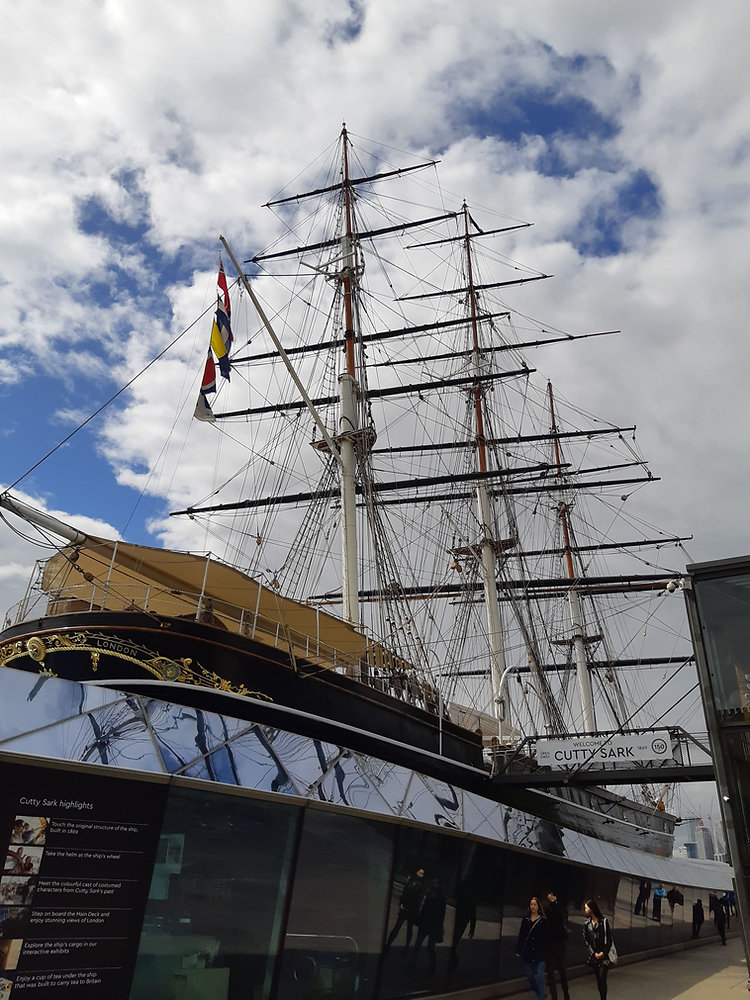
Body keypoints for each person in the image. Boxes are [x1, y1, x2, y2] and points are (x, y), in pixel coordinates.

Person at [409, 878, 446, 975]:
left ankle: (432, 966)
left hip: (432, 926)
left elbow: (441, 915)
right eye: (433, 883)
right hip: (426, 924)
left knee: (429, 947)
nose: (434, 885)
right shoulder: (430, 895)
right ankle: (412, 966)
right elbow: (424, 910)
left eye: (436, 883)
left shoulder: (441, 899)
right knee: (418, 945)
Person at [515, 897, 549, 1000]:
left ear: (538, 907)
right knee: (530, 976)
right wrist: (518, 950)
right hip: (528, 952)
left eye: (535, 905)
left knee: (539, 976)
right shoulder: (526, 919)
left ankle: (541, 997)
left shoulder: (543, 921)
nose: (532, 906)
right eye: (531, 904)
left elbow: (546, 938)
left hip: (540, 953)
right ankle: (540, 993)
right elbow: (522, 935)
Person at [386, 867, 425, 952]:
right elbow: (404, 893)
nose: (420, 875)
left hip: (412, 911)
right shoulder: (410, 881)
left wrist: (413, 909)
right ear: (416, 872)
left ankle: (406, 947)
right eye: (420, 873)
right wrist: (401, 903)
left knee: (409, 929)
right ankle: (388, 944)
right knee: (397, 927)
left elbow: (419, 899)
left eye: (422, 874)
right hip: (405, 909)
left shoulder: (421, 886)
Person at [583, 899, 614, 1000]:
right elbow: (586, 940)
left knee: (602, 978)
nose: (585, 910)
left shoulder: (603, 922)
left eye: (587, 908)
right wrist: (593, 953)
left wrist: (603, 953)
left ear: (592, 909)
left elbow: (609, 939)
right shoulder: (587, 924)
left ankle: (603, 998)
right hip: (594, 956)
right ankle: (602, 996)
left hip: (604, 955)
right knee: (598, 979)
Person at [545, 891, 570, 1000]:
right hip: (549, 947)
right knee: (551, 973)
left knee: (562, 972)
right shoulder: (545, 913)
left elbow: (559, 916)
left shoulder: (556, 911)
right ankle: (554, 996)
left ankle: (566, 994)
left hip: (558, 945)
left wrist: (554, 903)